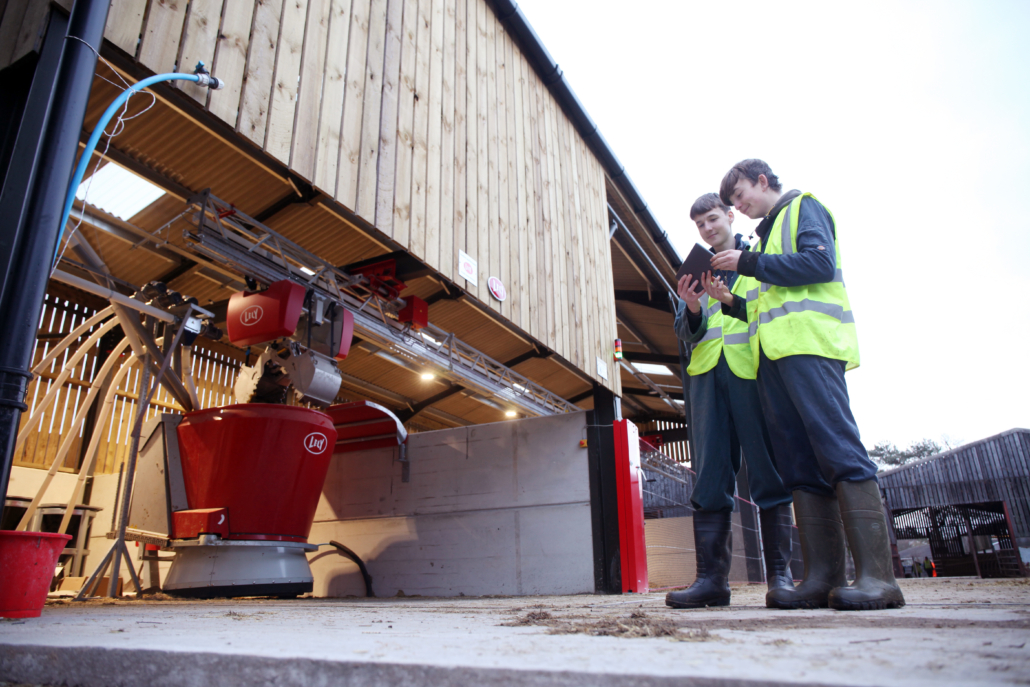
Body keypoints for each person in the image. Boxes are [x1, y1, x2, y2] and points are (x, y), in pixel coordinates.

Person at [705, 159, 904, 611]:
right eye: (734, 200)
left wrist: (748, 263)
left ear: (762, 180)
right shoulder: (766, 235)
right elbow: (764, 307)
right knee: (800, 466)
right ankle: (822, 578)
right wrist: (731, 301)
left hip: (810, 348)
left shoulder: (803, 208)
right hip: (773, 359)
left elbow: (818, 263)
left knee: (838, 450)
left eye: (740, 196)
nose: (740, 204)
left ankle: (878, 578)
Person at [665, 193, 794, 609]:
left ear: (730, 216)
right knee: (709, 477)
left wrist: (729, 301)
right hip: (706, 381)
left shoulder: (755, 261)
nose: (707, 228)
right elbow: (685, 334)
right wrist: (693, 307)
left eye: (712, 218)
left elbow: (768, 311)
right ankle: (712, 581)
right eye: (700, 224)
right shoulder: (693, 272)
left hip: (750, 375)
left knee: (767, 472)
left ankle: (780, 577)